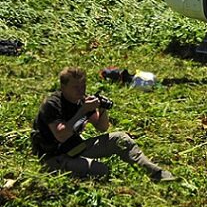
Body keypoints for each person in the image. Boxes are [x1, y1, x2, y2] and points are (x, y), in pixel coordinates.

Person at [31, 66, 174, 182]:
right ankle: (66, 173)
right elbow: (61, 135)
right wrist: (82, 111)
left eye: (83, 86)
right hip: (54, 156)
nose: (81, 90)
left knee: (121, 140)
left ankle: (157, 174)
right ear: (63, 87)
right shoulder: (53, 104)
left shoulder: (82, 101)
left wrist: (102, 108)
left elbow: (102, 127)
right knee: (101, 170)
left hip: (76, 148)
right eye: (75, 87)